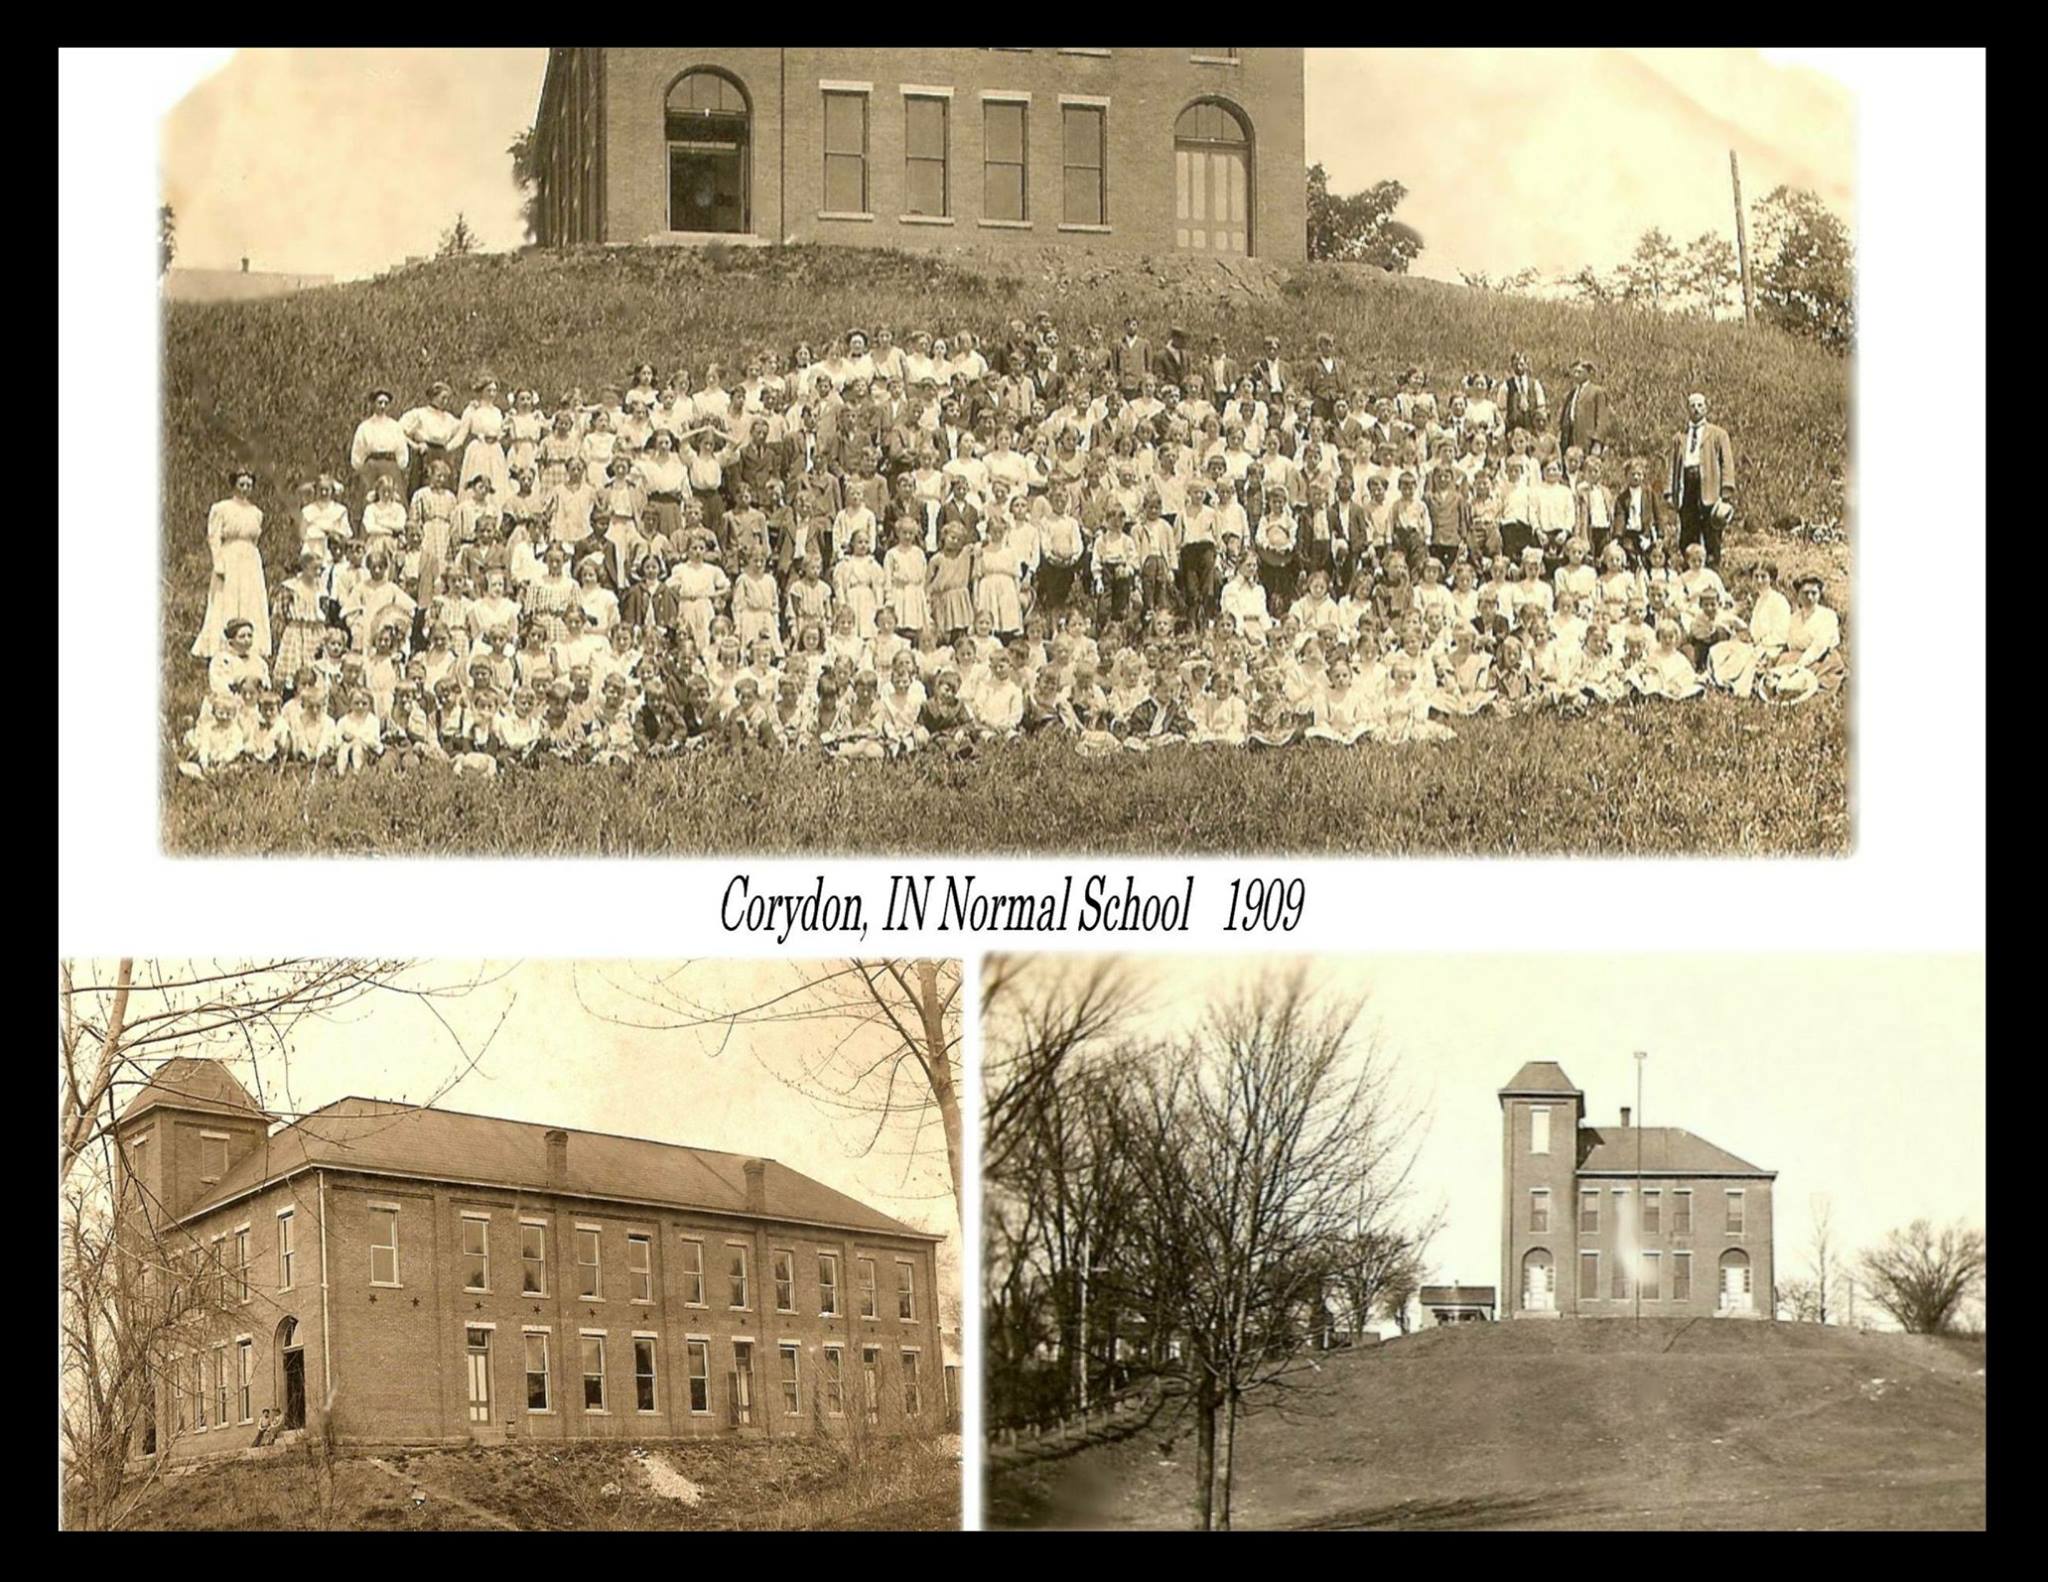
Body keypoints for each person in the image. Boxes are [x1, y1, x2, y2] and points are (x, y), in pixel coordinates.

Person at [193, 469, 272, 660]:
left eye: (249, 485)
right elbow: (214, 537)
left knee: (250, 598)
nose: (245, 489)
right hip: (230, 557)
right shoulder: (221, 508)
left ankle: (251, 643)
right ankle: (222, 643)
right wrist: (218, 561)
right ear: (234, 485)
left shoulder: (256, 513)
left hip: (250, 560)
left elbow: (254, 540)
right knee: (226, 598)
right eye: (241, 484)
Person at [1667, 391, 1737, 567]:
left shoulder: (1718, 434)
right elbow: (1672, 466)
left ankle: (1712, 569)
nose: (1696, 409)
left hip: (1709, 487)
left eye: (1700, 405)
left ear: (1706, 408)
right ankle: (1689, 568)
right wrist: (1669, 491)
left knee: (1711, 531)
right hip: (1687, 486)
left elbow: (1727, 462)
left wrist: (1726, 488)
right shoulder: (1679, 437)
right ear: (1687, 409)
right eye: (1692, 406)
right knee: (1688, 529)